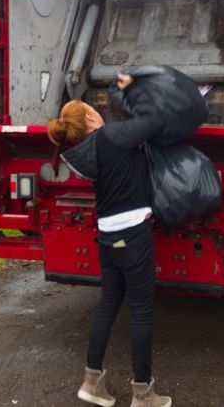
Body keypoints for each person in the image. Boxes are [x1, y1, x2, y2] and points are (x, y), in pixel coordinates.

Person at [47, 73, 172, 407]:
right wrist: (131, 88)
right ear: (89, 116)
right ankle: (143, 394)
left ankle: (91, 383)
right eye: (93, 108)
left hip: (107, 236)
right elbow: (154, 120)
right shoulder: (115, 136)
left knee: (107, 306)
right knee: (142, 312)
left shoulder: (86, 150)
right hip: (133, 236)